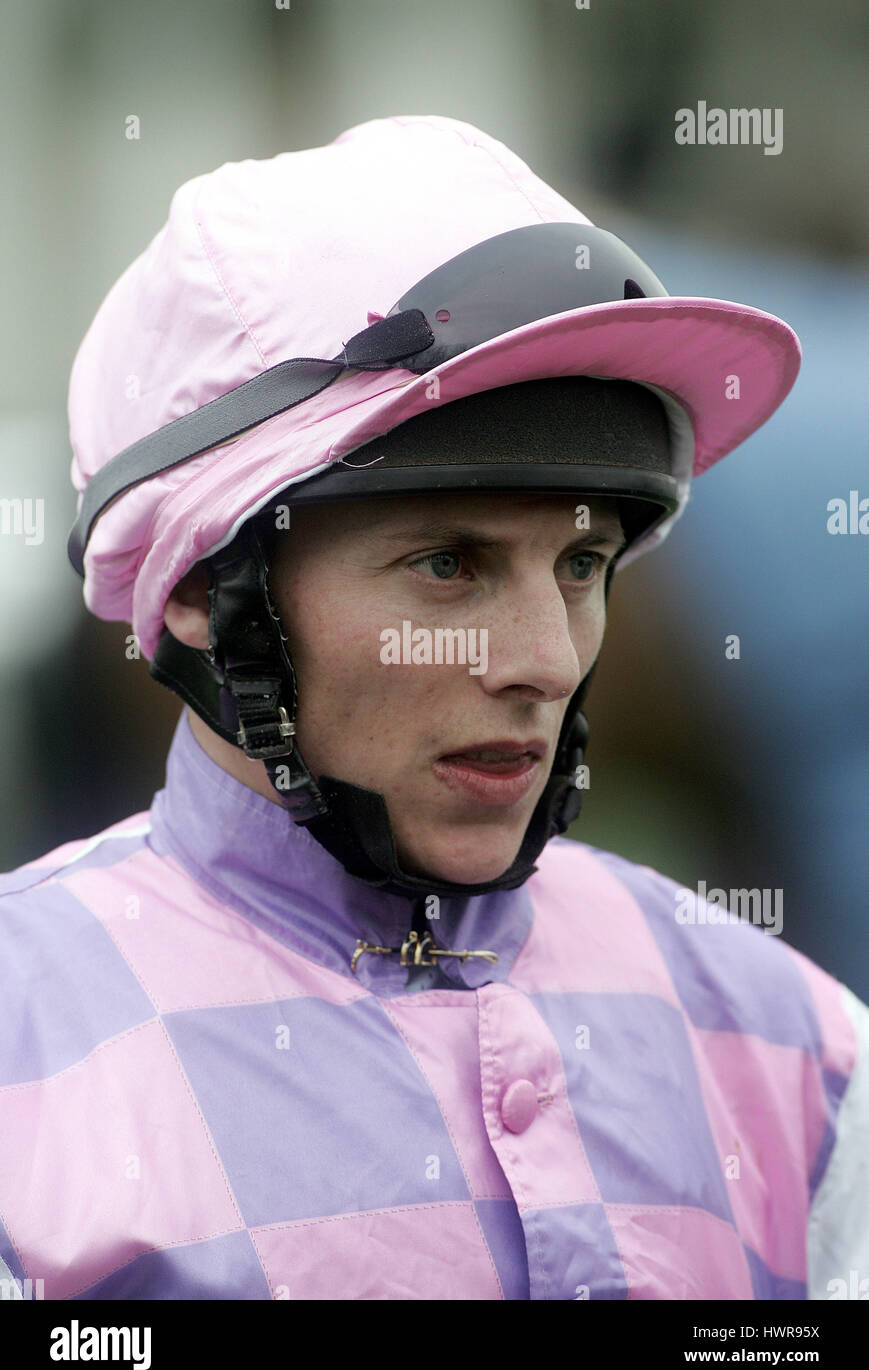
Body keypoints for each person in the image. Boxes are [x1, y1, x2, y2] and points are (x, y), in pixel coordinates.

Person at [1, 114, 866, 1303]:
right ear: (205, 587)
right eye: (447, 566)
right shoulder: (21, 1047)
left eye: (579, 566)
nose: (544, 662)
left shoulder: (799, 1045)